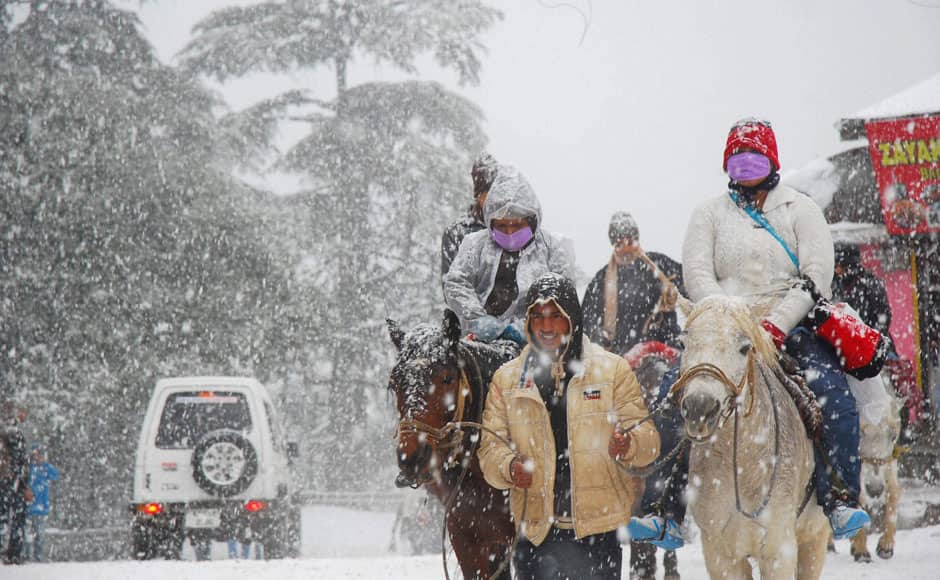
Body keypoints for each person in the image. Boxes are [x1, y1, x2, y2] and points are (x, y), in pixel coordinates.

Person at [630, 118, 870, 548]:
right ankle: (662, 508)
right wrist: (730, 316)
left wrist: (777, 323)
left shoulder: (802, 210)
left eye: (753, 159)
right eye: (736, 161)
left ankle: (838, 497)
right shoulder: (708, 214)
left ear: (772, 161)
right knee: (671, 397)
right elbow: (697, 272)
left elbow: (816, 276)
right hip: (724, 326)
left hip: (790, 324)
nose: (745, 169)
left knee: (832, 398)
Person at [478, 273, 660, 579]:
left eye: (556, 316)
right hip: (535, 535)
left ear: (572, 319)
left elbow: (649, 443)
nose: (546, 327)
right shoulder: (507, 379)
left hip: (598, 535)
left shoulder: (611, 370)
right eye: (537, 317)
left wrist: (629, 444)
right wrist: (509, 467)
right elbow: (489, 450)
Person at [443, 165, 576, 344]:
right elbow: (456, 282)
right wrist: (477, 317)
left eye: (517, 225)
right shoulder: (475, 244)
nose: (510, 232)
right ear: (491, 223)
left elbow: (561, 297)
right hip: (479, 343)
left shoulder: (554, 248)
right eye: (503, 226)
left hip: (538, 346)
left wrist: (526, 328)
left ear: (532, 220)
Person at [582, 211, 684, 356]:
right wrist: (599, 338)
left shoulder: (660, 266)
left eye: (629, 241)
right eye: (619, 242)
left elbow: (690, 282)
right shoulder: (600, 281)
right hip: (620, 361)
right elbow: (586, 323)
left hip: (664, 352)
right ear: (613, 244)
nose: (625, 247)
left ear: (636, 239)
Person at [441, 151, 499, 283]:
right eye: (486, 192)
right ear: (478, 194)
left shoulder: (509, 225)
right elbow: (451, 285)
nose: (492, 198)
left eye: (495, 192)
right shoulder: (456, 233)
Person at [832, 243, 892, 337]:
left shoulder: (870, 284)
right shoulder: (834, 287)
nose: (836, 271)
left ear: (848, 266)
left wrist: (869, 339)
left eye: (838, 266)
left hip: (872, 345)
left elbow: (883, 318)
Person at [1, 401, 32, 565]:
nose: (24, 415)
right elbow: (19, 462)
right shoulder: (14, 433)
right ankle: (13, 553)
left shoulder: (6, 432)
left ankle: (11, 552)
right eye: (23, 412)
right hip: (13, 483)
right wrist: (23, 484)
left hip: (9, 482)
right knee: (15, 520)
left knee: (7, 518)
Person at [25, 444, 59, 562]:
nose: (37, 457)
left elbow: (55, 475)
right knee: (30, 534)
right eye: (35, 455)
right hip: (30, 507)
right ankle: (29, 556)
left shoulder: (45, 468)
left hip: (41, 507)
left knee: (40, 534)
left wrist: (45, 465)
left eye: (39, 454)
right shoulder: (30, 469)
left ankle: (38, 557)